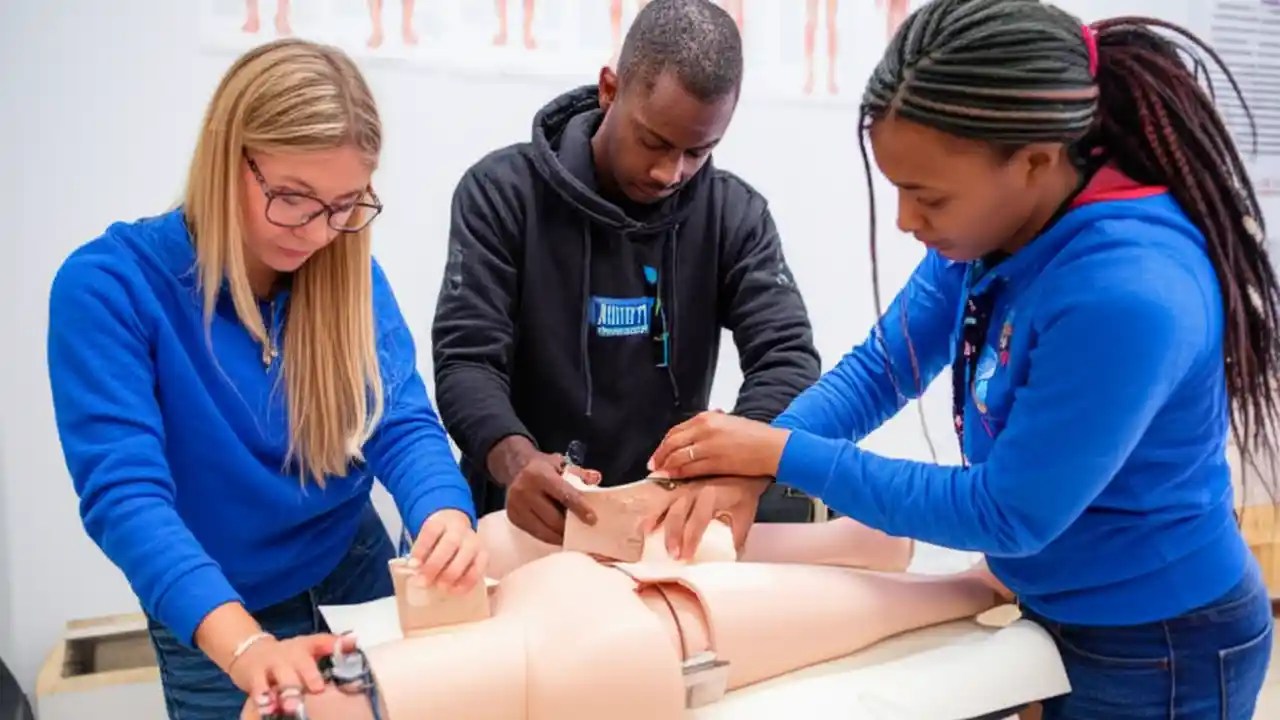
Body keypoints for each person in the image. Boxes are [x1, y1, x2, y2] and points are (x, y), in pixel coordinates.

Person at [648, 1, 1279, 717]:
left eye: (928, 197)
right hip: (1055, 600)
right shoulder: (1000, 225)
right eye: (898, 190)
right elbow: (884, 367)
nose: (907, 222)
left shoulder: (1129, 291)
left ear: (1034, 162)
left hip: (1161, 641)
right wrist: (748, 462)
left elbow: (1006, 512)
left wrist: (780, 453)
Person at [46, 39, 485, 720]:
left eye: (345, 206)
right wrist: (245, 646)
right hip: (216, 608)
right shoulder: (109, 288)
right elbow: (127, 498)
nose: (317, 233)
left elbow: (399, 422)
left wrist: (445, 512)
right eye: (292, 198)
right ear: (227, 158)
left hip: (354, 568)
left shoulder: (347, 273)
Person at [432, 0, 822, 547]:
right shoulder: (502, 194)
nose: (670, 173)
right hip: (524, 518)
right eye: (654, 142)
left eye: (698, 151)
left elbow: (787, 358)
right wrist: (515, 459)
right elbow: (466, 360)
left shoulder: (735, 215)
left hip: (662, 525)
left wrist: (735, 464)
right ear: (609, 89)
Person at [239, 508, 1009, 720]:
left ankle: (861, 544)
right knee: (665, 614)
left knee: (515, 537)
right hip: (599, 648)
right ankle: (961, 584)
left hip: (567, 612)